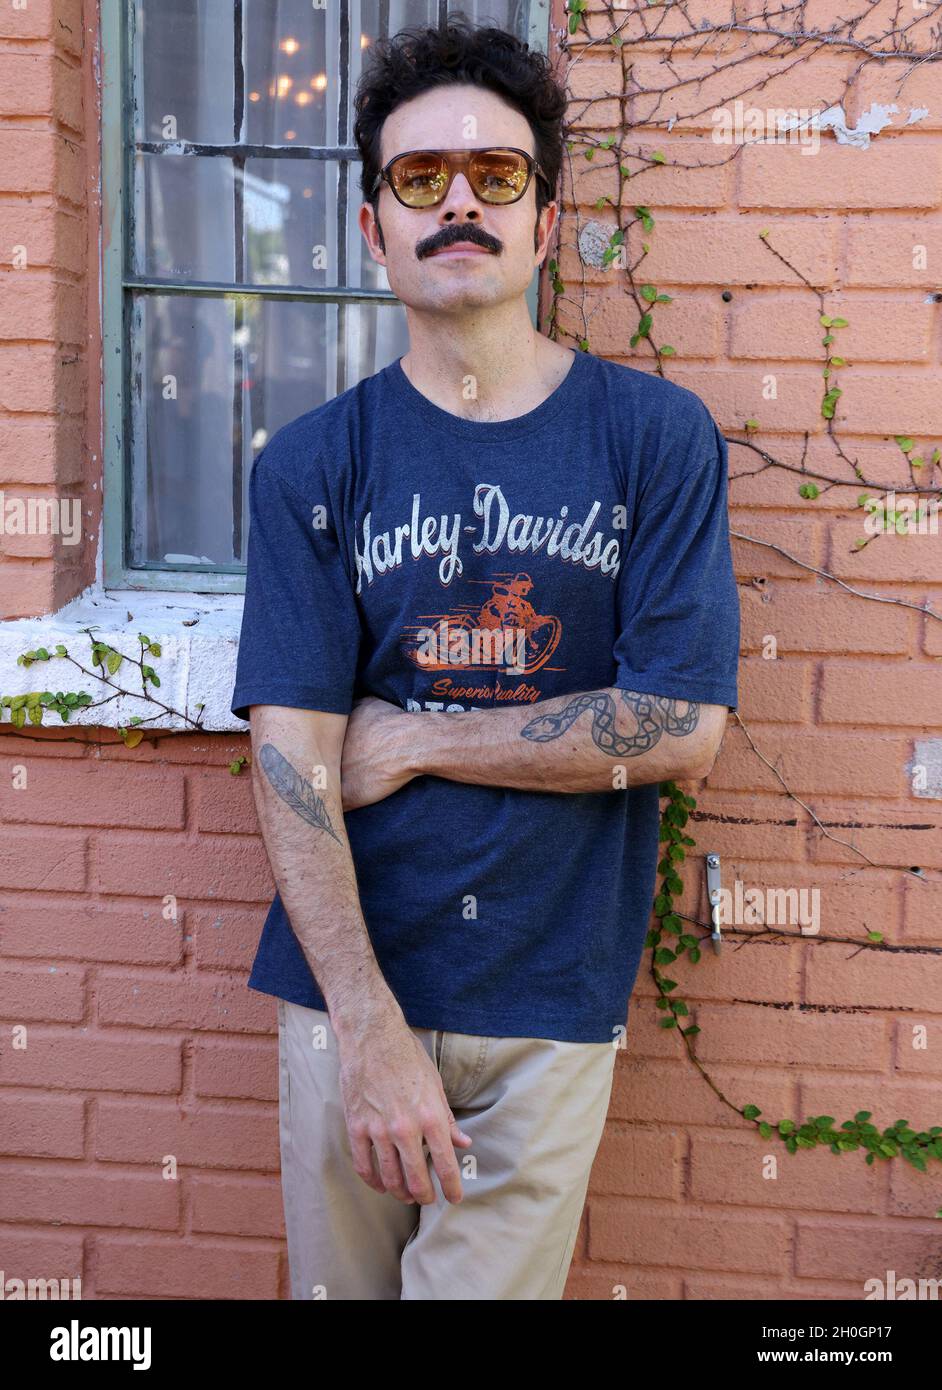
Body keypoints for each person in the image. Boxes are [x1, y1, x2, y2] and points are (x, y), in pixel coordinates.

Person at [230, 15, 740, 1301]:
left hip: (547, 996)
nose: (459, 201)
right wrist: (365, 1032)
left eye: (497, 175)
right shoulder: (308, 466)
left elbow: (678, 724)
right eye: (419, 178)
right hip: (345, 989)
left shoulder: (655, 441)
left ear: (546, 222)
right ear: (371, 229)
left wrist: (415, 735)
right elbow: (293, 763)